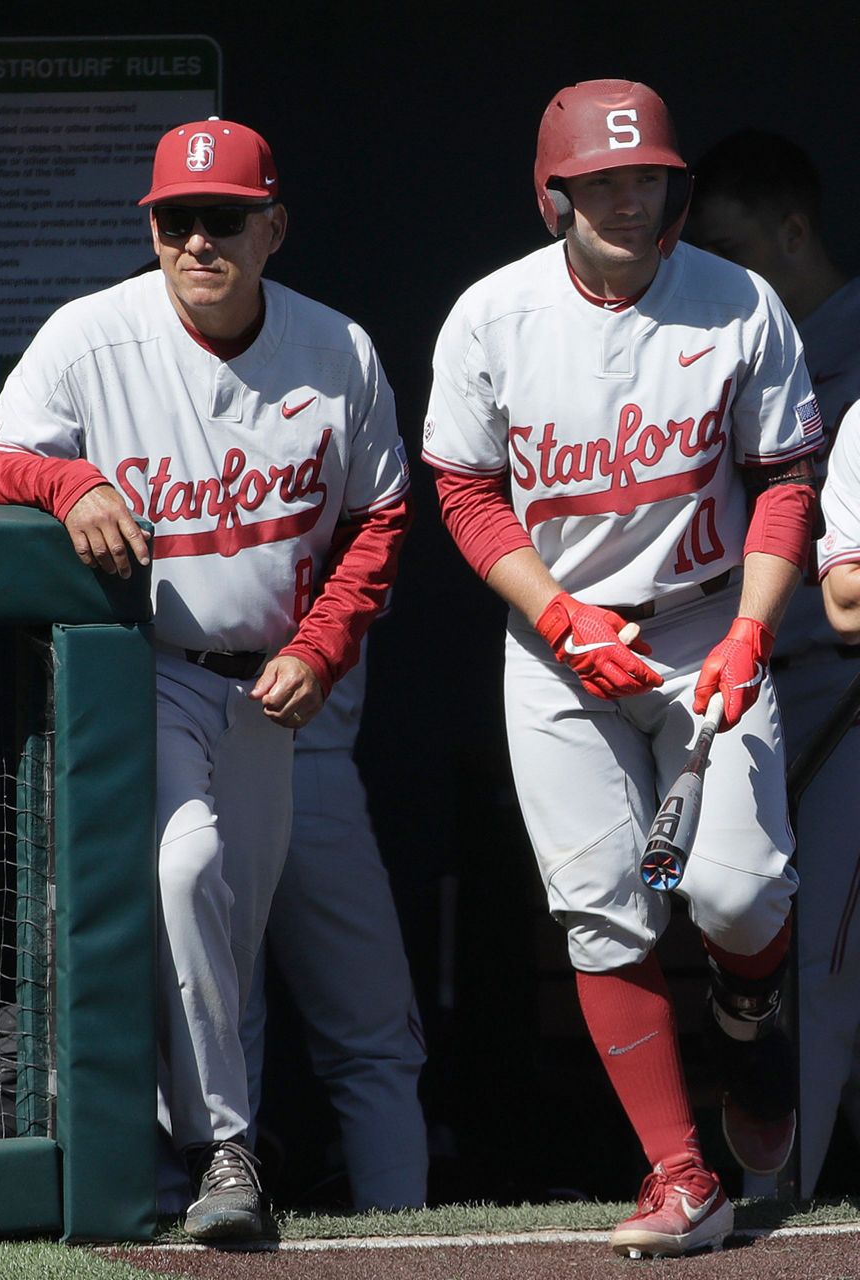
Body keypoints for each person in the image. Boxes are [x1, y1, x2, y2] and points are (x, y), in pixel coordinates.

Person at [0, 117, 412, 1241]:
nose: (197, 242)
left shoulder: (337, 349)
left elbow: (381, 514)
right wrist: (67, 484)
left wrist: (324, 642)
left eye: (222, 219)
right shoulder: (90, 335)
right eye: (176, 220)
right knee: (184, 865)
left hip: (277, 682)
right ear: (152, 228)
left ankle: (195, 1180)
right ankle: (224, 1149)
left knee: (233, 938)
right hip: (153, 671)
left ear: (273, 227)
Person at [422, 80, 820, 1259]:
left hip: (704, 620)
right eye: (603, 182)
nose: (630, 199)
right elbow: (465, 488)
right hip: (562, 645)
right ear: (555, 194)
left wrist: (752, 628)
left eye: (645, 176)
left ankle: (751, 1024)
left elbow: (786, 475)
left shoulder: (738, 300)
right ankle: (680, 1174)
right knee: (601, 908)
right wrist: (555, 615)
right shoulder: (493, 316)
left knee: (741, 894)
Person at [689, 130, 860, 1199]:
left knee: (820, 960)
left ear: (792, 231)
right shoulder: (738, 350)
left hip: (845, 689)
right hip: (773, 684)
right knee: (770, 935)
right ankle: (784, 1190)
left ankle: (782, 1198)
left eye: (733, 245)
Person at [241, 646, 429, 1211]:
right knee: (218, 1029)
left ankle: (398, 1238)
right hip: (270, 759)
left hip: (235, 759)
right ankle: (211, 1216)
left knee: (219, 1030)